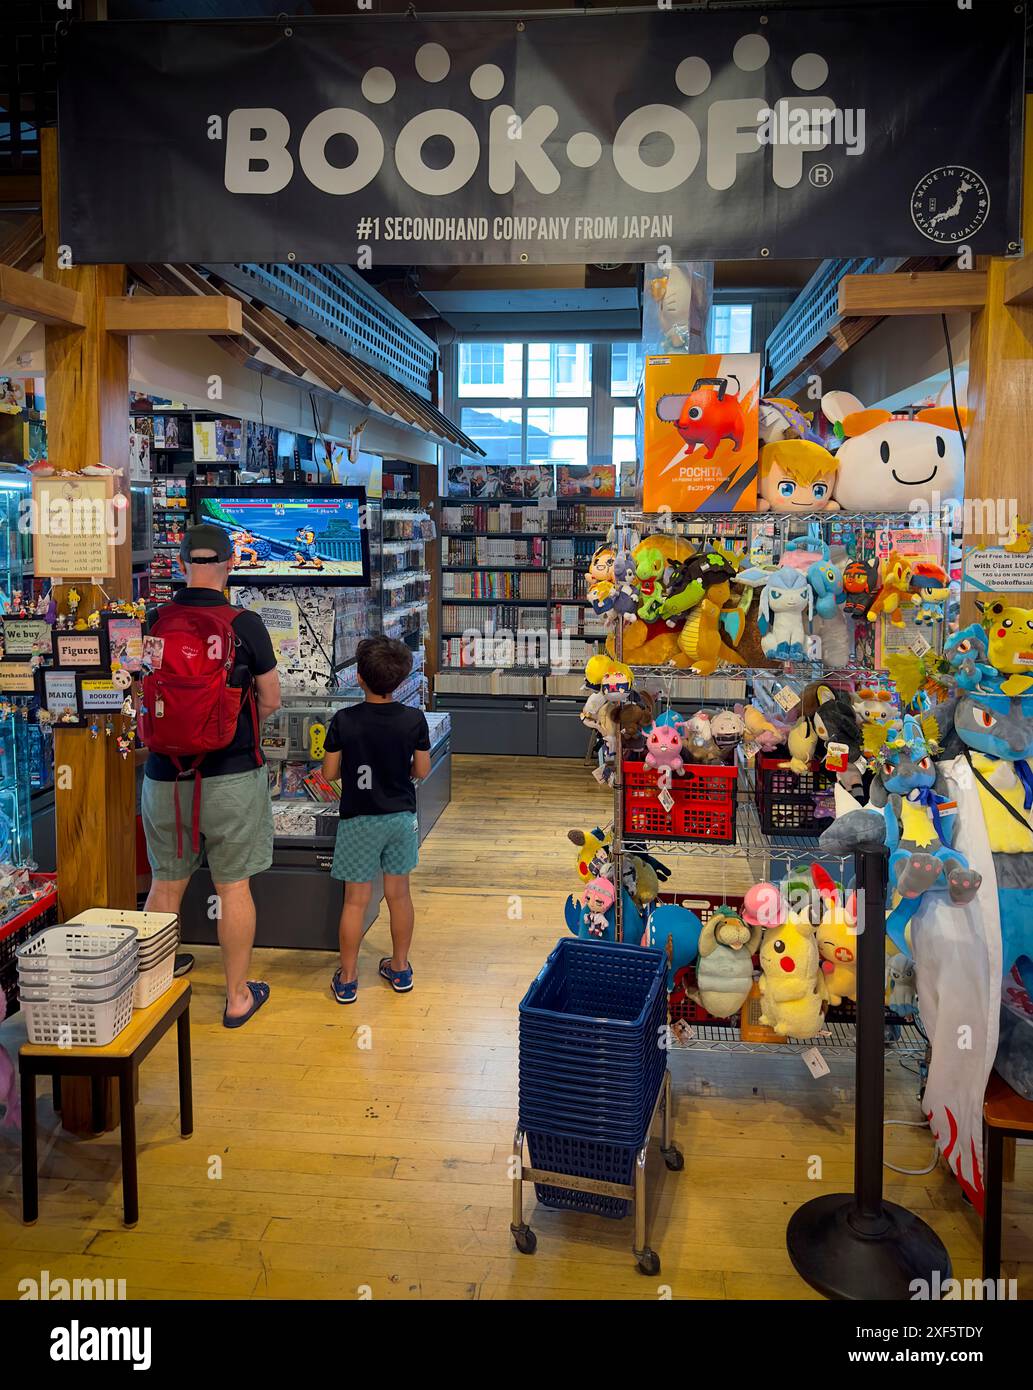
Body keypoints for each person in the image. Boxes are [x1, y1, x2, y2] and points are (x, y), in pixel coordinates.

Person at [141, 524, 281, 1027]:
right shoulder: (246, 623)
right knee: (234, 887)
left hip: (163, 776)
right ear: (229, 565)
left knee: (166, 883)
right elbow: (270, 700)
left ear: (181, 565)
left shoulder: (154, 619)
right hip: (232, 774)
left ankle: (152, 983)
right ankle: (238, 996)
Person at [321, 637, 430, 1003]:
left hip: (358, 820)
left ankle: (349, 978)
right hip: (400, 818)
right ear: (400, 680)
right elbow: (423, 770)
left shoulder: (344, 721)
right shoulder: (413, 719)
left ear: (359, 677)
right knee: (399, 896)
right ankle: (400, 968)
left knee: (355, 901)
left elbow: (330, 773)